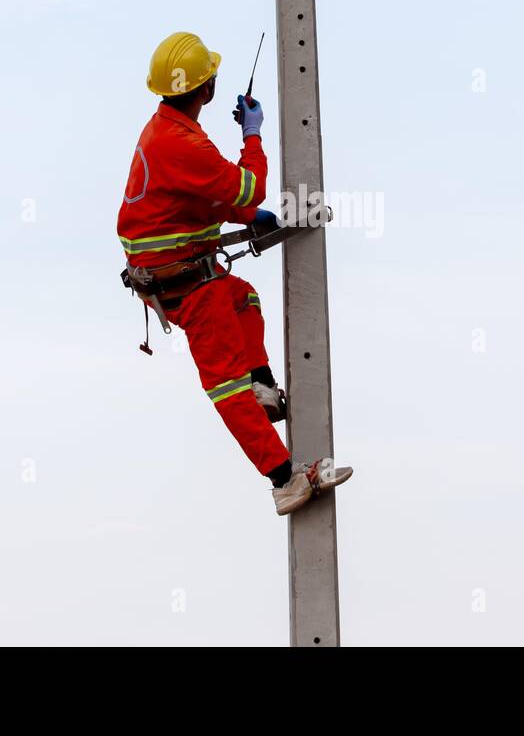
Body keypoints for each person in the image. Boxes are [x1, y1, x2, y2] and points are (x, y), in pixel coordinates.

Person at [118, 32, 352, 516]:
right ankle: (286, 480)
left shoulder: (166, 130)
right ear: (209, 88)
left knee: (244, 299)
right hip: (187, 286)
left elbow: (199, 200)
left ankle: (262, 388)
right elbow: (248, 188)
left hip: (180, 278)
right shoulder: (182, 143)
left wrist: (250, 218)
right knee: (226, 384)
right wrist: (252, 134)